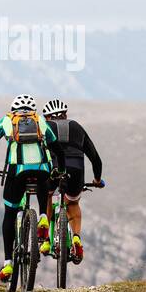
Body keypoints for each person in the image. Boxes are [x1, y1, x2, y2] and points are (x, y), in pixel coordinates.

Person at [0, 94, 64, 283]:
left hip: (16, 173)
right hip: (42, 172)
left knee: (9, 213)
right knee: (43, 179)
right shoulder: (40, 121)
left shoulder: (7, 121)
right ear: (32, 109)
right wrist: (61, 170)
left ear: (13, 109)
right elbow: (57, 148)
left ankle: (8, 262)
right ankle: (42, 217)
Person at [40, 98, 103, 264]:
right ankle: (76, 239)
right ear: (66, 115)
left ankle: (46, 240)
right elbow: (96, 159)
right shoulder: (76, 127)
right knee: (73, 204)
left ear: (46, 118)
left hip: (53, 169)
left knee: (46, 196)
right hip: (76, 170)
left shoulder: (45, 128)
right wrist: (97, 179)